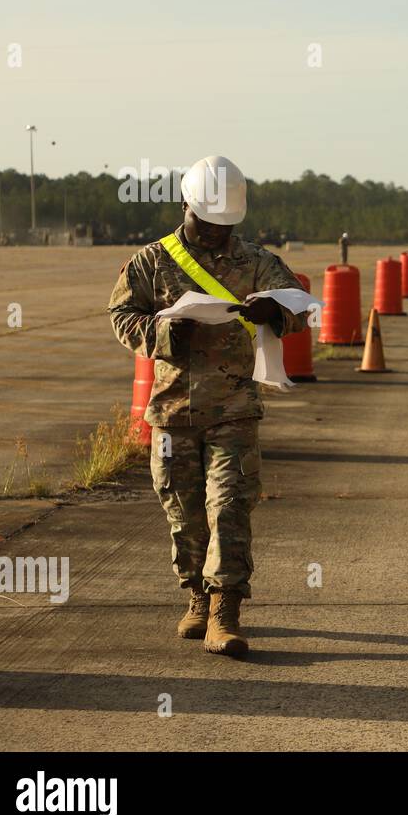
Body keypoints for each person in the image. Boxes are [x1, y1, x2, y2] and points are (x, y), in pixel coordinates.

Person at [107, 155, 308, 657]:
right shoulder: (153, 261)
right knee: (184, 513)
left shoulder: (257, 261)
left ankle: (225, 612)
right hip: (173, 414)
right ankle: (196, 596)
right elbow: (120, 315)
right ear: (185, 207)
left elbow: (303, 308)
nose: (217, 233)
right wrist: (164, 330)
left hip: (235, 410)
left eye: (226, 225)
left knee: (231, 509)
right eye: (207, 223)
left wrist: (276, 311)